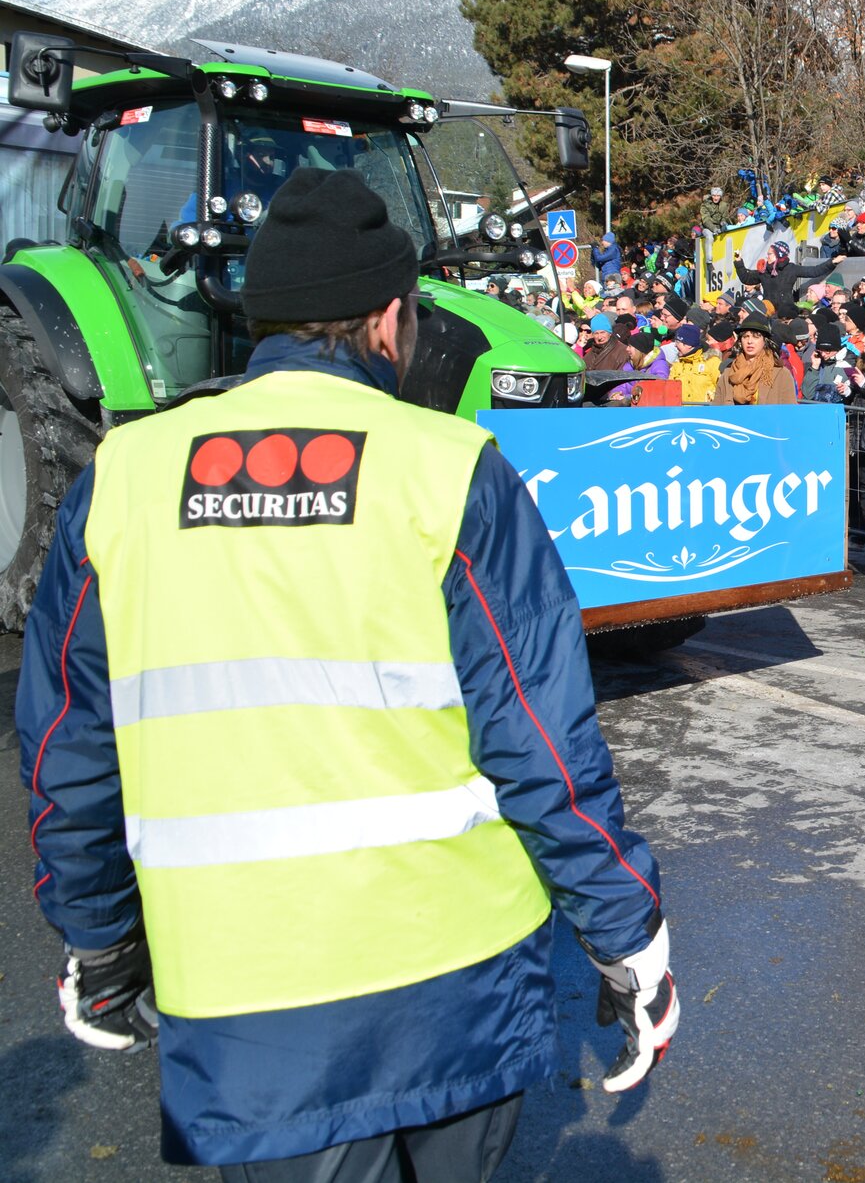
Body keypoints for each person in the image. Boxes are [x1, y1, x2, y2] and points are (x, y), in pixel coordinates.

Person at [16, 169, 677, 1179]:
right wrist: (625, 932)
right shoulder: (450, 467)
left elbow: (69, 741)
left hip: (243, 992)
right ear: (387, 319)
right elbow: (541, 739)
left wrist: (99, 935)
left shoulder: (124, 477)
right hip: (454, 978)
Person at [712, 314, 798, 404]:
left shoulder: (781, 374)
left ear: (765, 340)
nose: (750, 341)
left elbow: (790, 410)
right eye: (746, 336)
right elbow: (717, 407)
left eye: (756, 337)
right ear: (740, 341)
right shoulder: (728, 373)